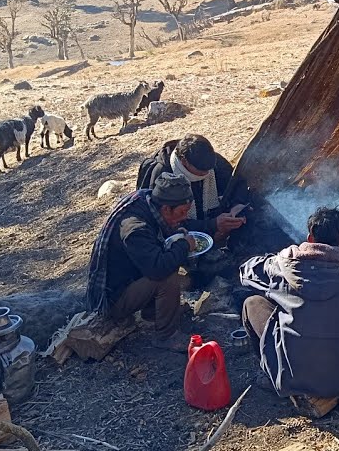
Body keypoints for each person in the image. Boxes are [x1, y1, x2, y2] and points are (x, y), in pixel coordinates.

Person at [239, 207, 339, 413]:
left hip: (294, 375)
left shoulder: (283, 265)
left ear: (309, 237)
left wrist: (274, 259)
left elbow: (246, 272)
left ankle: (271, 375)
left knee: (252, 303)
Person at [86, 173, 202, 350]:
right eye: (182, 212)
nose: (184, 217)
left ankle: (153, 311)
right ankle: (166, 336)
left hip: (135, 278)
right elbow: (157, 269)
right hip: (114, 299)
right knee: (167, 276)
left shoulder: (148, 200)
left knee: (171, 265)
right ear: (165, 209)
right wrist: (183, 246)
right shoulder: (135, 228)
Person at [136, 135, 248, 246]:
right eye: (201, 171)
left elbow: (236, 184)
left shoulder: (212, 163)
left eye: (209, 170)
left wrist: (236, 205)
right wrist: (212, 225)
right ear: (184, 161)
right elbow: (165, 221)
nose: (207, 174)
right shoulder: (163, 174)